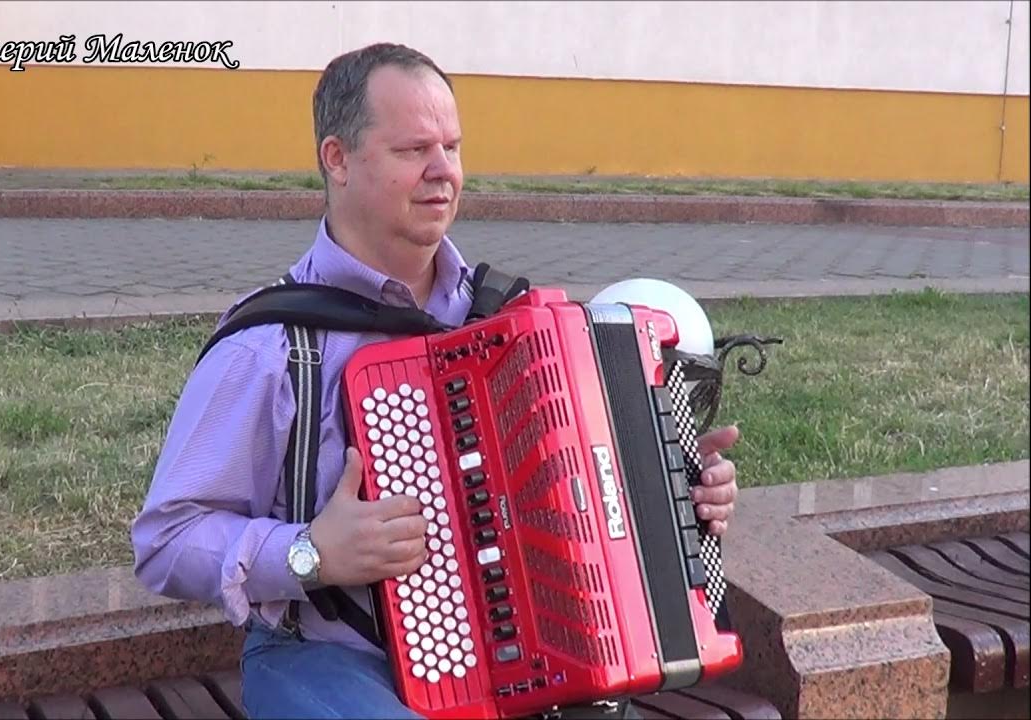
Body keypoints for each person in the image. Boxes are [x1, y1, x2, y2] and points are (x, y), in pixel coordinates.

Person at [131, 42, 742, 720]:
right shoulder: (271, 345)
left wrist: (679, 495)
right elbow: (165, 540)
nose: (442, 172)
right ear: (337, 159)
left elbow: (582, 495)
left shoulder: (517, 328)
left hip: (525, 661)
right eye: (412, 150)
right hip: (332, 659)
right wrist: (310, 553)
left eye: (451, 147)